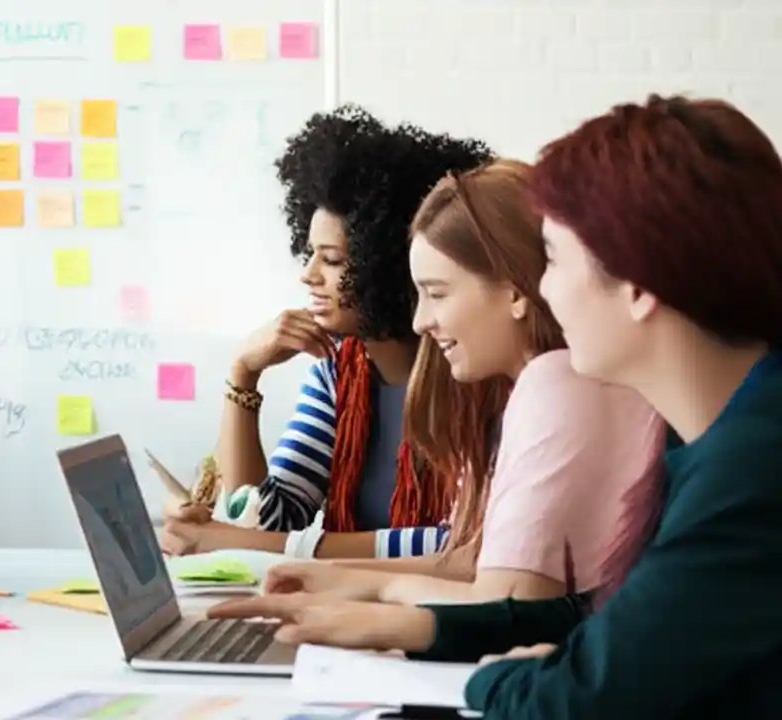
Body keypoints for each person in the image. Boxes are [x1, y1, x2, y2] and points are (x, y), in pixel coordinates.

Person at [213, 95, 782, 718]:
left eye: (553, 260)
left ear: (637, 285)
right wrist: (412, 621)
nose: (542, 288)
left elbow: (579, 697)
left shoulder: (751, 472)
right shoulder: (716, 441)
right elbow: (604, 619)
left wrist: (499, 678)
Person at [216, 159, 666, 608]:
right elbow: (474, 561)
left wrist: (312, 566)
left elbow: (492, 586)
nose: (421, 321)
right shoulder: (340, 373)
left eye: (436, 293)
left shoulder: (534, 382)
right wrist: (242, 375)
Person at [160, 105, 492, 560]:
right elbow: (264, 519)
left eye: (332, 260)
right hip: (348, 598)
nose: (309, 274)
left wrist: (251, 541)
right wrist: (243, 375)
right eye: (311, 253)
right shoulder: (337, 376)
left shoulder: (474, 377)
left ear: (389, 267)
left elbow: (458, 541)